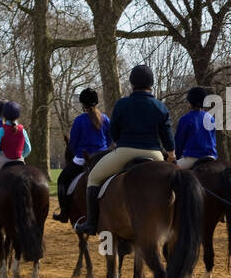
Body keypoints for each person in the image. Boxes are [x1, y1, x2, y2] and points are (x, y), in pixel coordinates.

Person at [75, 65, 175, 236]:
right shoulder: (160, 106)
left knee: (93, 177)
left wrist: (121, 140)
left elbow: (113, 132)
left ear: (132, 83)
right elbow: (167, 135)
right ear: (151, 84)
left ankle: (91, 223)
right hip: (154, 153)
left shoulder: (122, 104)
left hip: (125, 151)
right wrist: (171, 154)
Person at [53, 88, 110, 222]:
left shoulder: (79, 120)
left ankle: (64, 212)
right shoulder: (105, 119)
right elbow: (110, 138)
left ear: (83, 104)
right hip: (103, 157)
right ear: (96, 102)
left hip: (83, 158)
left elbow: (73, 143)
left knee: (62, 180)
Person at [174, 87, 218, 170]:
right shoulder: (211, 118)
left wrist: (175, 156)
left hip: (192, 158)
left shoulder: (185, 119)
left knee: (171, 170)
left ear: (190, 102)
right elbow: (213, 140)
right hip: (211, 157)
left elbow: (179, 143)